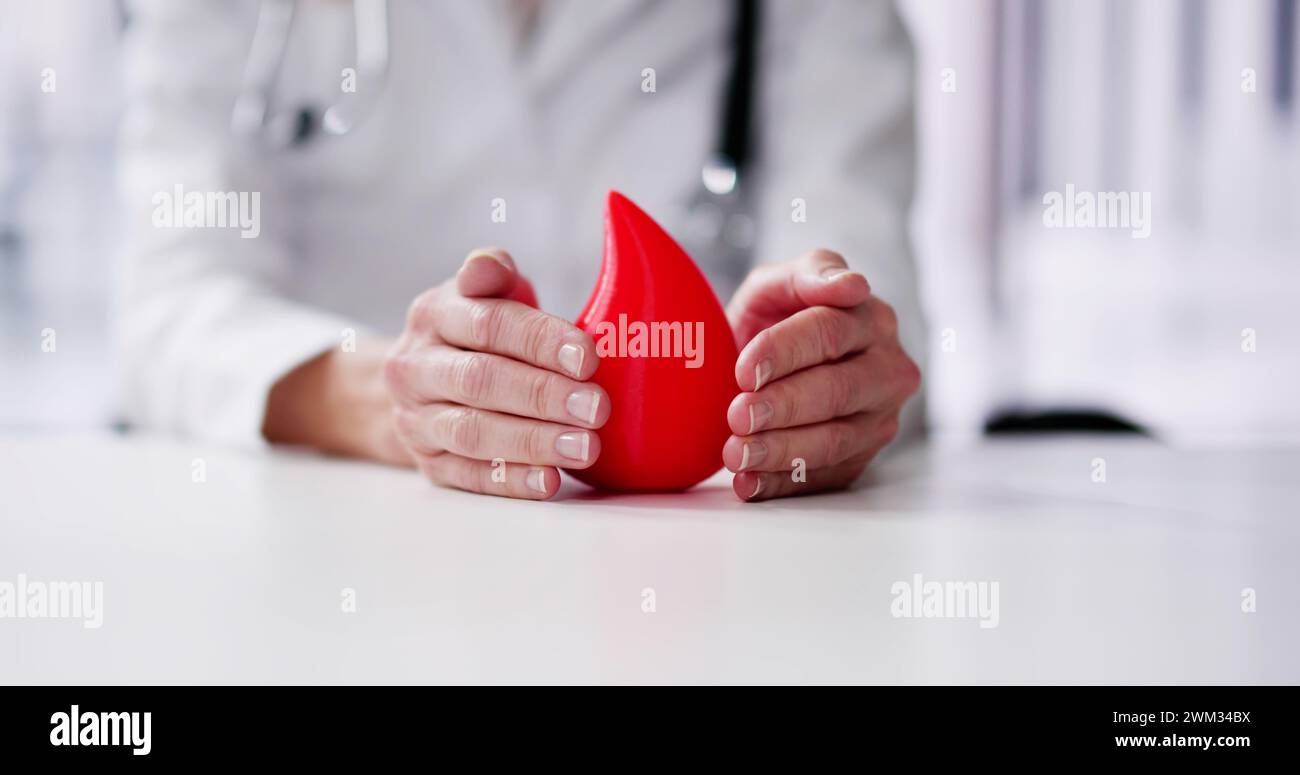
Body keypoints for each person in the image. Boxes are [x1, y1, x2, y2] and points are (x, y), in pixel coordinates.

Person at [116, 0, 922, 501]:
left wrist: (826, 367)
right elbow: (168, 307)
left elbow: (869, 285)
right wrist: (398, 396)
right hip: (363, 543)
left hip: (712, 561)